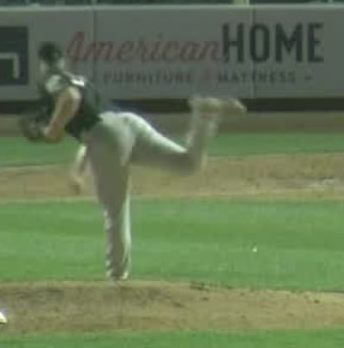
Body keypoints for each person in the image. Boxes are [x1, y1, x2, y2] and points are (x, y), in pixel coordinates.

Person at [26, 41, 246, 283]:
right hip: (127, 122)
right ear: (63, 60)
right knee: (188, 163)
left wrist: (52, 129)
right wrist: (77, 170)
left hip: (108, 136)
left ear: (42, 64)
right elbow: (92, 128)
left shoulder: (51, 78)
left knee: (115, 211)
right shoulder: (75, 76)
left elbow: (71, 99)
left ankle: (118, 279)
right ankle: (205, 116)